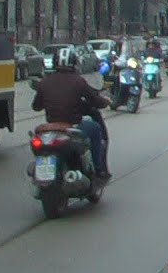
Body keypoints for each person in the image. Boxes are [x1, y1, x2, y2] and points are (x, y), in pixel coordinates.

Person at [32, 47, 112, 179]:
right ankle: (99, 170)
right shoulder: (78, 81)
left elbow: (36, 106)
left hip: (51, 128)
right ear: (74, 63)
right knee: (96, 129)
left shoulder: (44, 82)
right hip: (72, 126)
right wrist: (106, 101)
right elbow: (95, 101)